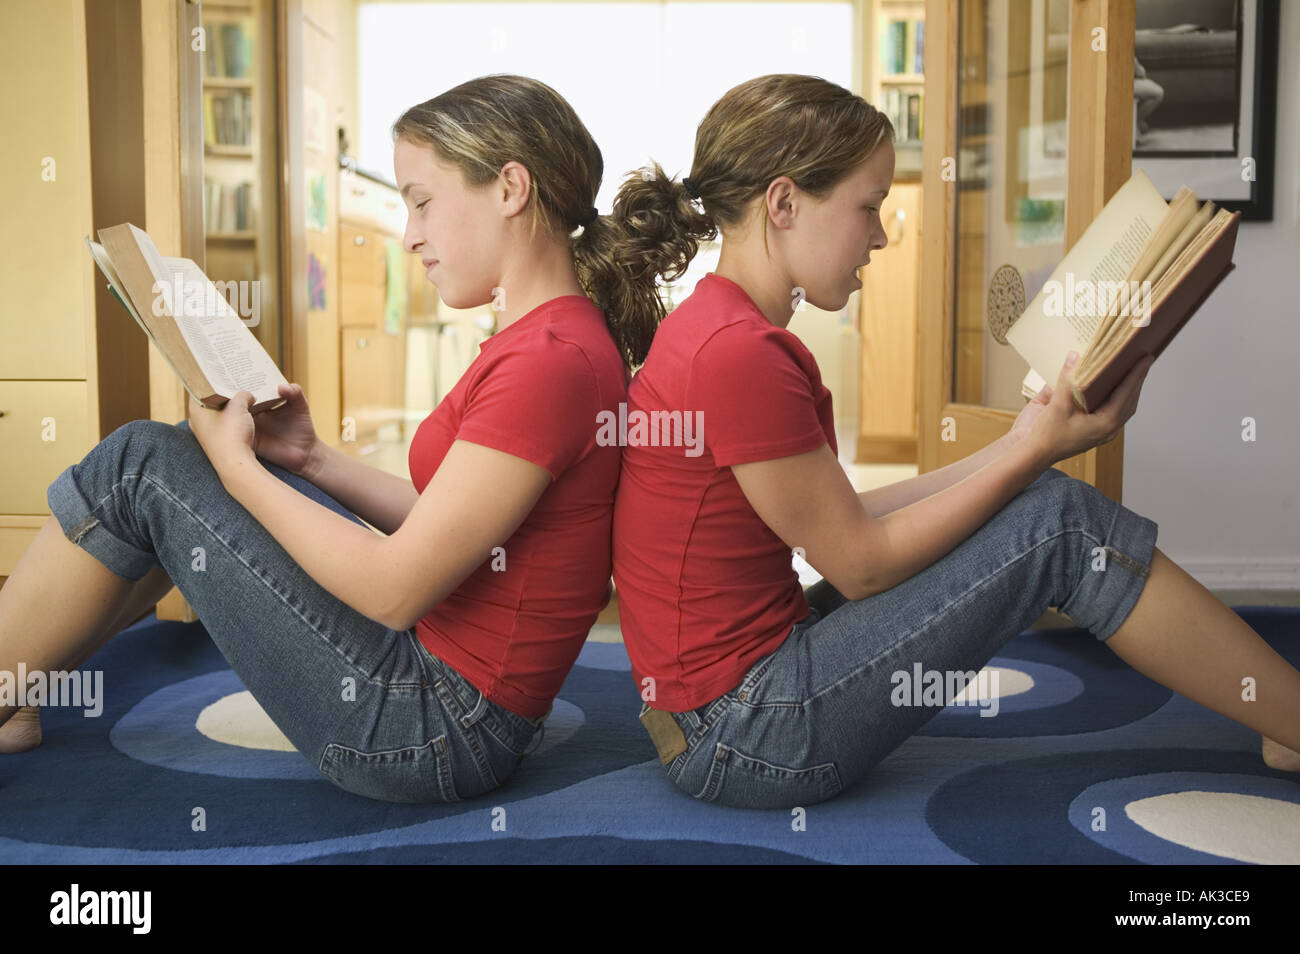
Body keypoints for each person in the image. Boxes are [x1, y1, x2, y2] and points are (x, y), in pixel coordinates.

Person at [609, 73, 1300, 809]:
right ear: (783, 203)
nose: (878, 236)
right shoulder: (739, 353)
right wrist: (1034, 452)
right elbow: (862, 564)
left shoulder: (715, 329)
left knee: (1034, 497)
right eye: (868, 207)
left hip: (717, 713)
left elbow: (847, 516)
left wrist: (1022, 446)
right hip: (747, 733)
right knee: (1061, 527)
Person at [0, 74, 635, 804]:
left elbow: (396, 590)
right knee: (169, 460)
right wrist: (311, 459)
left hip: (428, 727)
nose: (411, 235)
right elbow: (448, 523)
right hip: (452, 702)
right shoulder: (554, 343)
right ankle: (14, 692)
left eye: (422, 201)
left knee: (144, 466)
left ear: (510, 187)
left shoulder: (547, 362)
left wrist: (239, 471)